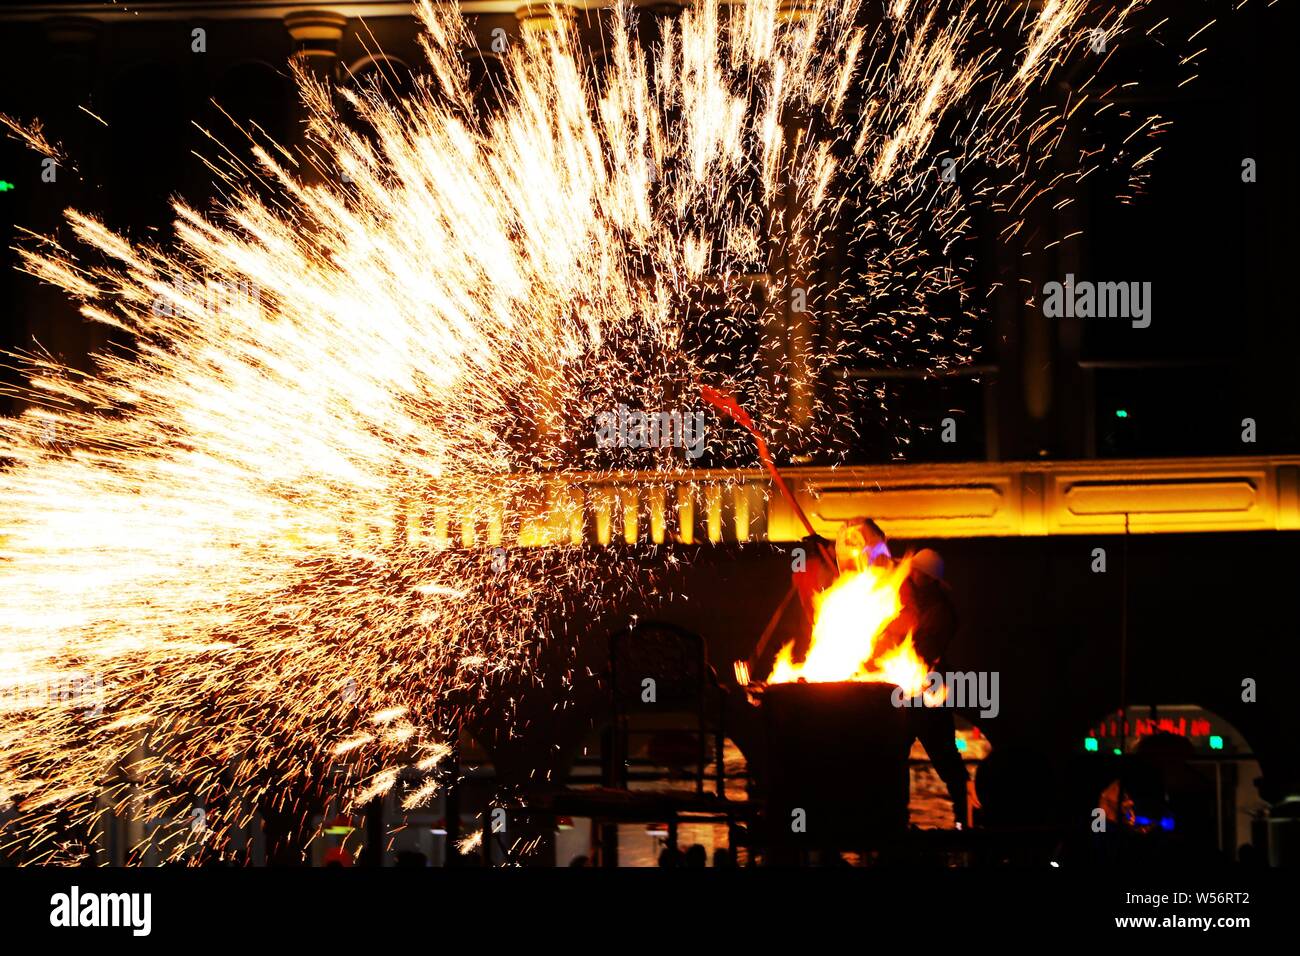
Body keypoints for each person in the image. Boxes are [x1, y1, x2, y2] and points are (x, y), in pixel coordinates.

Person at [889, 548, 970, 828]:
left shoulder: (940, 613)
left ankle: (966, 817)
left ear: (931, 580)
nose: (913, 576)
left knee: (945, 756)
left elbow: (922, 649)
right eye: (913, 571)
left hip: (929, 693)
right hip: (902, 694)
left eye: (920, 574)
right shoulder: (900, 598)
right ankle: (896, 820)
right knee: (893, 757)